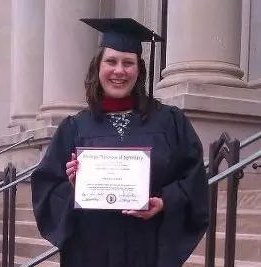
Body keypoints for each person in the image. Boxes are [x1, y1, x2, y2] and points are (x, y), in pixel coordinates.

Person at [31, 18, 209, 267]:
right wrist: (74, 187)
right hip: (89, 253)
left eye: (128, 63)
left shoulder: (170, 121)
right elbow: (46, 190)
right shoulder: (74, 127)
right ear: (98, 67)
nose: (119, 71)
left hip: (148, 250)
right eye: (111, 61)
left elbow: (194, 180)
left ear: (139, 70)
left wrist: (166, 201)